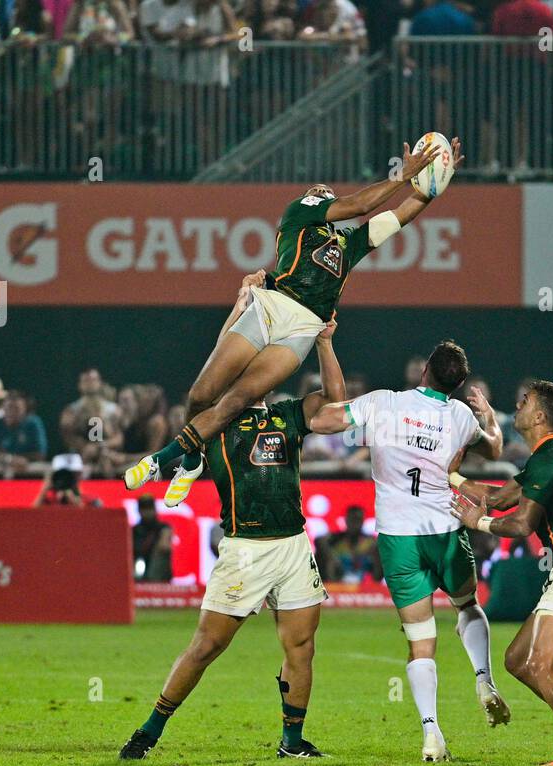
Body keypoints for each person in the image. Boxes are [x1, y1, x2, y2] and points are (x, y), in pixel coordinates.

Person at [122, 137, 463, 508]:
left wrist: (433, 185)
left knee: (238, 400)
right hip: (273, 307)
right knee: (201, 395)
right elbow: (359, 204)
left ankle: (160, 460)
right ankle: (189, 460)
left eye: (326, 191)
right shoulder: (301, 211)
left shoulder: (350, 245)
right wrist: (402, 175)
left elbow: (400, 215)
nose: (322, 191)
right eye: (319, 191)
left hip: (304, 328)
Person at [118, 322, 347, 762]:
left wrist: (324, 341)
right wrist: (240, 312)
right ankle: (149, 731)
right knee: (207, 646)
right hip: (246, 549)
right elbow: (210, 375)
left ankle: (292, 742)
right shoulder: (214, 421)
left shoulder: (288, 414)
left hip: (294, 546)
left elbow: (335, 399)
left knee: (301, 647)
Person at [309, 340, 507, 762]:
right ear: (458, 384)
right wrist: (490, 419)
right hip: (447, 530)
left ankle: (432, 735)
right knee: (467, 603)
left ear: (423, 372)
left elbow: (324, 422)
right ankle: (484, 678)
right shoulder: (459, 416)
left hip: (399, 539)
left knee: (421, 642)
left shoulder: (382, 403)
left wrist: (322, 366)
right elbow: (494, 448)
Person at [450, 380, 553, 766]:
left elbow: (521, 524)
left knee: (539, 663)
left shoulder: (549, 456)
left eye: (524, 402)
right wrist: (451, 476)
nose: (517, 406)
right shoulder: (548, 455)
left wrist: (480, 523)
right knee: (519, 658)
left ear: (539, 415)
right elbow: (502, 496)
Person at [315, 505, 383, 582]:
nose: (355, 523)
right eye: (352, 519)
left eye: (358, 520)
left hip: (364, 582)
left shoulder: (371, 542)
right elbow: (319, 540)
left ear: (362, 521)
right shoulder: (335, 539)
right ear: (346, 520)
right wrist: (332, 556)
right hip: (338, 580)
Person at [131, 493, 173, 581]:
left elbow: (165, 546)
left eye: (149, 509)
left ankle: (154, 580)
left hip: (157, 570)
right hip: (138, 563)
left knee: (161, 553)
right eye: (144, 509)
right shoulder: (134, 530)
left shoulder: (163, 528)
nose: (147, 512)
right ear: (139, 510)